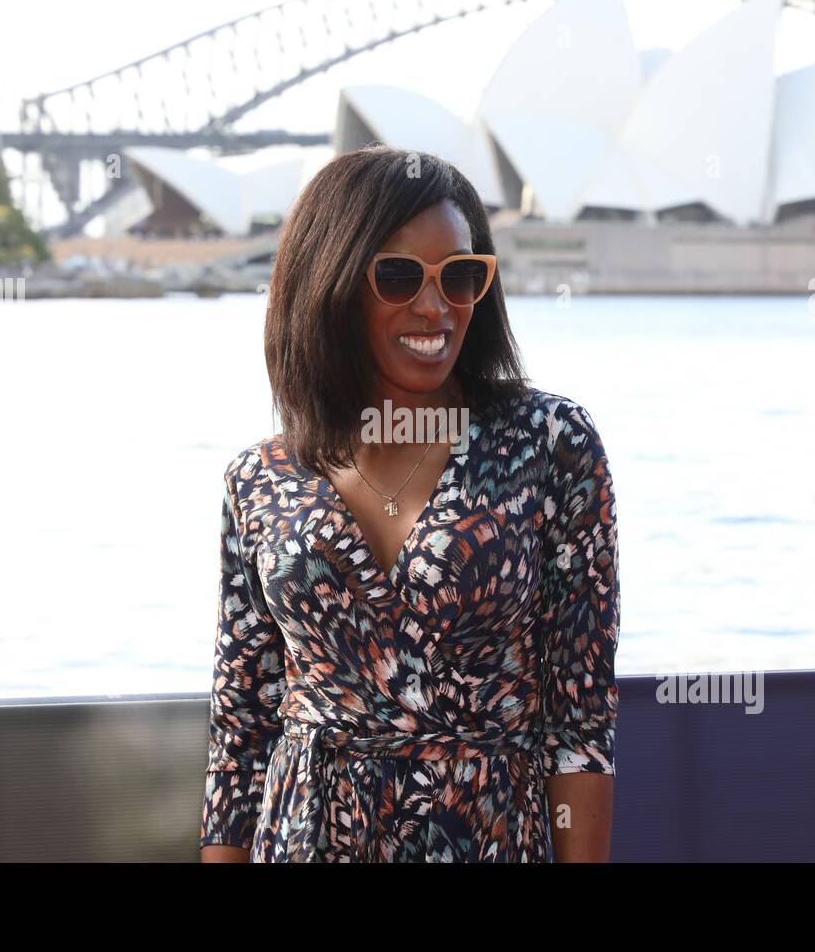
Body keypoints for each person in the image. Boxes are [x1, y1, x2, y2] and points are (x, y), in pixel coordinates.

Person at [199, 144, 620, 862]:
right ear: (329, 282)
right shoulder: (259, 479)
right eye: (397, 276)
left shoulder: (551, 446)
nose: (435, 307)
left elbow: (578, 726)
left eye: (460, 277)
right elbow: (240, 735)